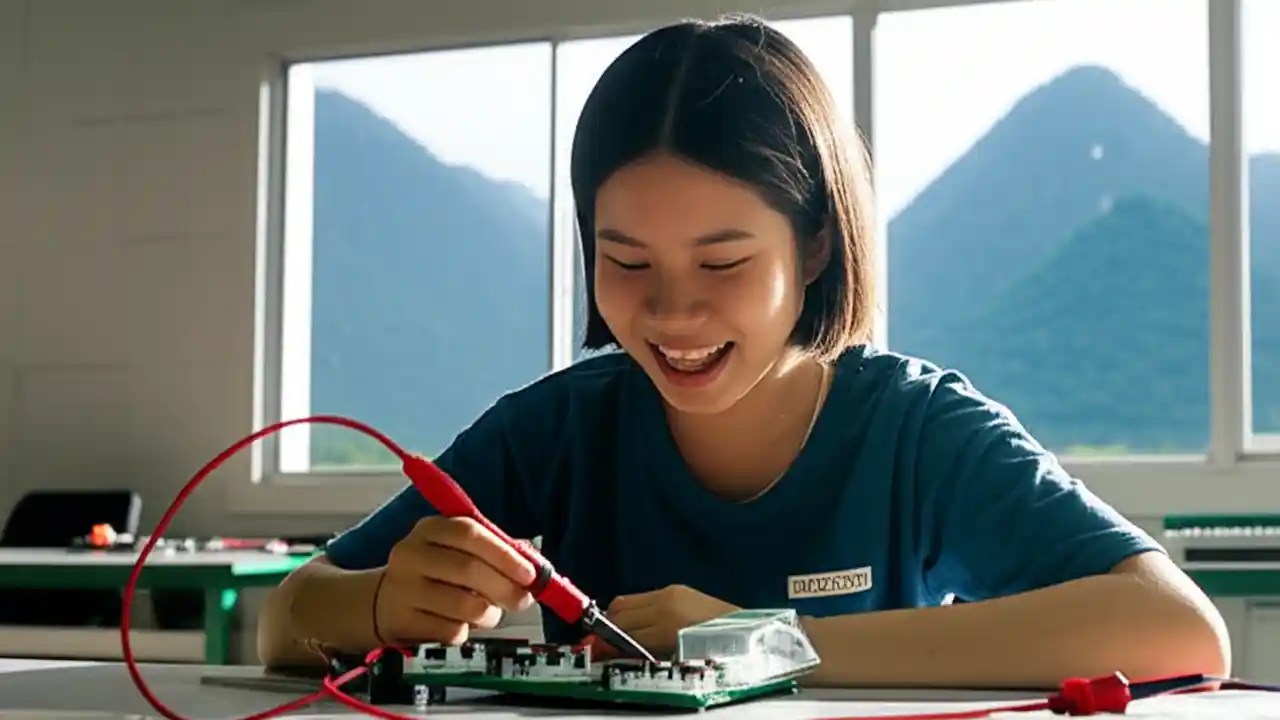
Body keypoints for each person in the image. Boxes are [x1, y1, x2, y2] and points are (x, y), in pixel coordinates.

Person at [257, 14, 1229, 687]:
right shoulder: (559, 426)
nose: (671, 314)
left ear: (812, 245)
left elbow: (1177, 631)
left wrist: (760, 642)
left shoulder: (916, 430)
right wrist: (385, 602)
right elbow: (286, 618)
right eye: (624, 259)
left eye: (721, 262)